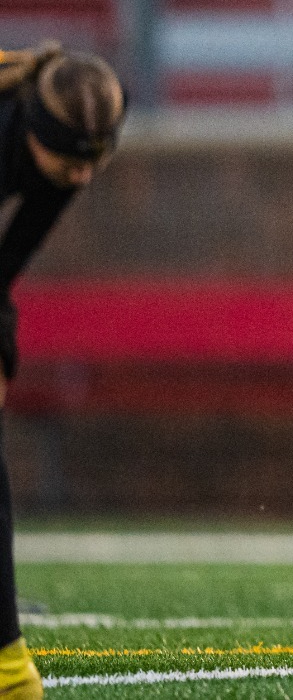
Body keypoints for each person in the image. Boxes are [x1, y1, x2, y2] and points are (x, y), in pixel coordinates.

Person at [0, 44, 124, 700]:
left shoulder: (69, 145)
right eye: (70, 161)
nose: (82, 177)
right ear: (30, 133)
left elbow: (9, 256)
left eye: (93, 161)